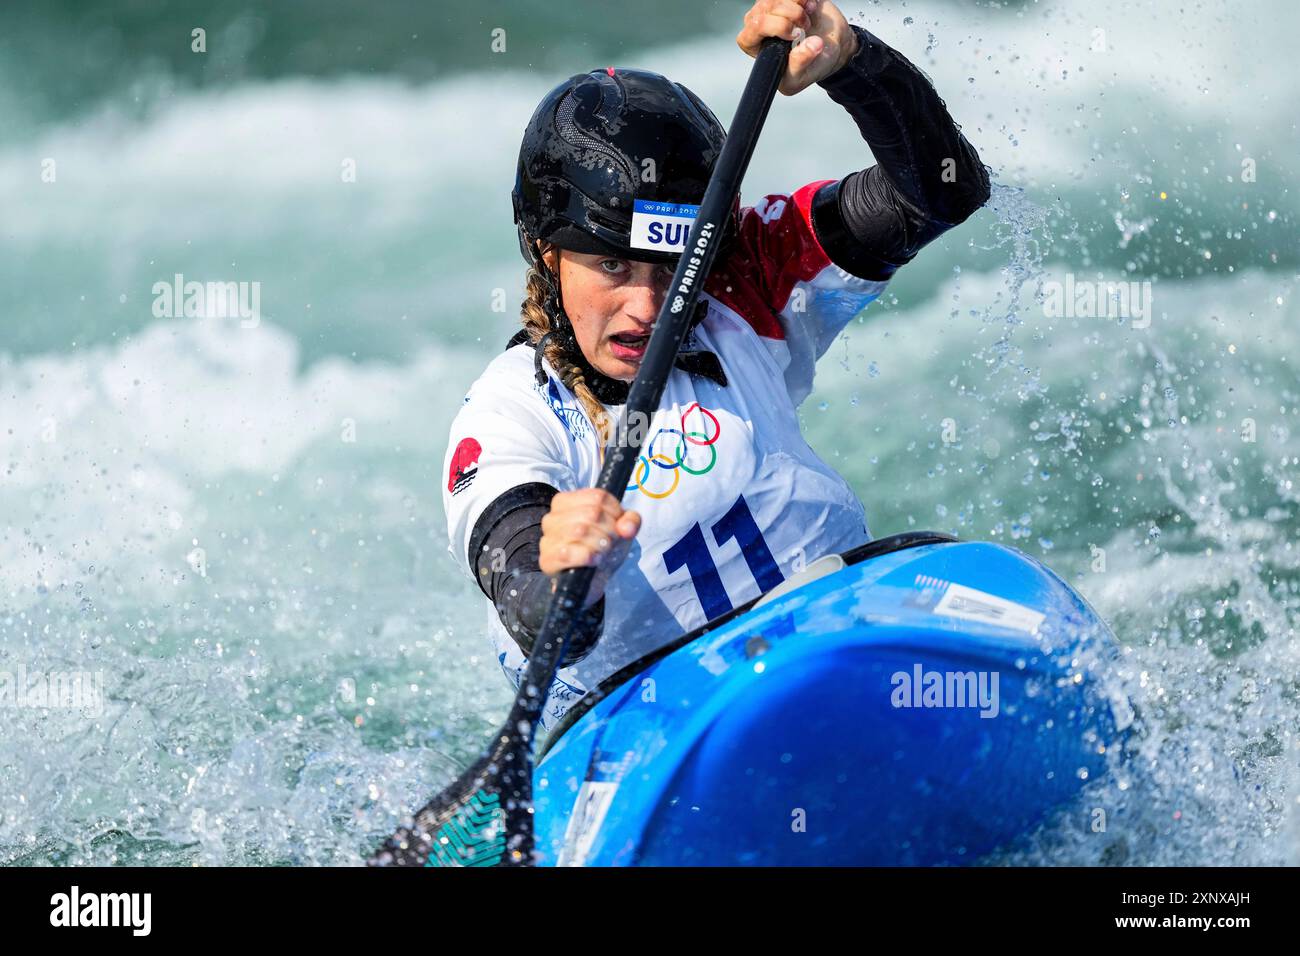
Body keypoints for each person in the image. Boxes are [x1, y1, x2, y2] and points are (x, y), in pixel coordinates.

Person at [443, 0, 990, 730]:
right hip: (649, 730)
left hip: (833, 647)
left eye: (673, 267)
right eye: (610, 265)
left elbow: (943, 189)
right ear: (549, 254)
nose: (645, 305)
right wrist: (558, 569)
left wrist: (855, 62)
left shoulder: (744, 282)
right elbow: (537, 609)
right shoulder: (508, 414)